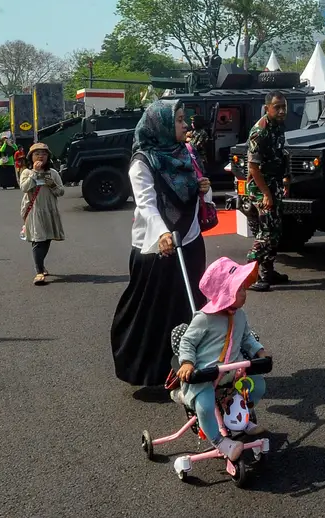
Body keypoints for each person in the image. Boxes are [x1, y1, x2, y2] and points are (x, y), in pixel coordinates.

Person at [110, 99, 213, 391]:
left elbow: (195, 192)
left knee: (191, 306)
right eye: (179, 120)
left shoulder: (187, 152)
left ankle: (192, 368)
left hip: (190, 242)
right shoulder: (142, 161)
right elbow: (145, 203)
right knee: (153, 312)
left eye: (184, 119)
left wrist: (204, 188)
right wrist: (161, 234)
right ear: (162, 126)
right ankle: (149, 372)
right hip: (158, 249)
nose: (185, 125)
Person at [176, 257, 270, 460]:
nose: (245, 294)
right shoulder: (204, 318)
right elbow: (187, 342)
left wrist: (259, 351)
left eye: (244, 288)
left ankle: (242, 417)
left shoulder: (240, 315)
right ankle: (220, 441)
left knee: (259, 385)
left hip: (233, 373)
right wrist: (187, 362)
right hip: (205, 375)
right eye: (240, 290)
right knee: (205, 406)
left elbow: (246, 338)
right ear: (225, 294)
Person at [244, 91, 290, 292]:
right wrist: (266, 194)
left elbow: (282, 152)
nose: (281, 111)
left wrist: (286, 177)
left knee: (276, 230)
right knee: (266, 232)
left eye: (283, 107)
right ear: (266, 108)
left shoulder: (278, 126)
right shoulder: (259, 131)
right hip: (260, 187)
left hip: (274, 183)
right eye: (277, 107)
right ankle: (249, 275)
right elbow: (253, 167)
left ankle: (267, 272)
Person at [19, 142, 66, 285]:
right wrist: (34, 174)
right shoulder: (26, 172)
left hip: (50, 210)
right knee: (38, 240)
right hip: (34, 210)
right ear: (31, 157)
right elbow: (24, 188)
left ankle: (41, 264)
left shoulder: (53, 173)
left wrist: (50, 182)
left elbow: (61, 191)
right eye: (37, 154)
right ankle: (39, 271)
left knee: (47, 239)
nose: (40, 156)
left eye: (44, 154)